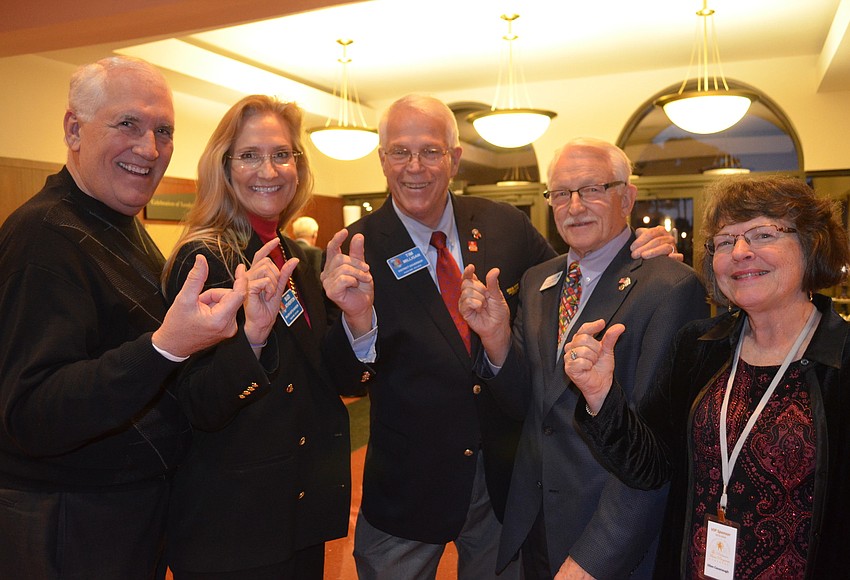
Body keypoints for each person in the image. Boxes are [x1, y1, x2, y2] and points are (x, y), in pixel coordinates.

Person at [320, 97, 678, 579]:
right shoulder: (354, 247)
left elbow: (576, 278)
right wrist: (358, 320)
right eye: (400, 152)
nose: (414, 167)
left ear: (454, 158)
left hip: (503, 486)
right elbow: (343, 379)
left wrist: (637, 249)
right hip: (406, 488)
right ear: (382, 159)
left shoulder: (504, 224)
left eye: (430, 151)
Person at [0, 56, 248, 579]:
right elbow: (32, 414)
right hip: (71, 521)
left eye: (164, 131)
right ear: (74, 130)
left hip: (126, 514)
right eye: (128, 124)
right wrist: (166, 346)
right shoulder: (44, 235)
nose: (150, 149)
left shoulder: (115, 221)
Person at [566, 175, 850, 579]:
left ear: (811, 245)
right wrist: (600, 394)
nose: (741, 252)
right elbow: (651, 467)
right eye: (725, 241)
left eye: (762, 234)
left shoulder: (842, 357)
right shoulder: (698, 346)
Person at [458, 137, 709, 579]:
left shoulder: (669, 286)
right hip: (535, 523)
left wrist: (597, 555)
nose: (574, 207)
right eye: (560, 193)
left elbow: (657, 448)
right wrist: (496, 338)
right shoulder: (539, 280)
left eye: (592, 189)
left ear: (626, 198)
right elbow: (528, 404)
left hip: (609, 536)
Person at [161, 95, 355, 579]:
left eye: (281, 154)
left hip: (293, 508)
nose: (268, 170)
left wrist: (357, 317)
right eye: (249, 155)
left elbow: (319, 375)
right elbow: (197, 404)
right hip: (236, 526)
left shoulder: (289, 253)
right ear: (224, 167)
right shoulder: (206, 258)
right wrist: (252, 337)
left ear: (298, 166)